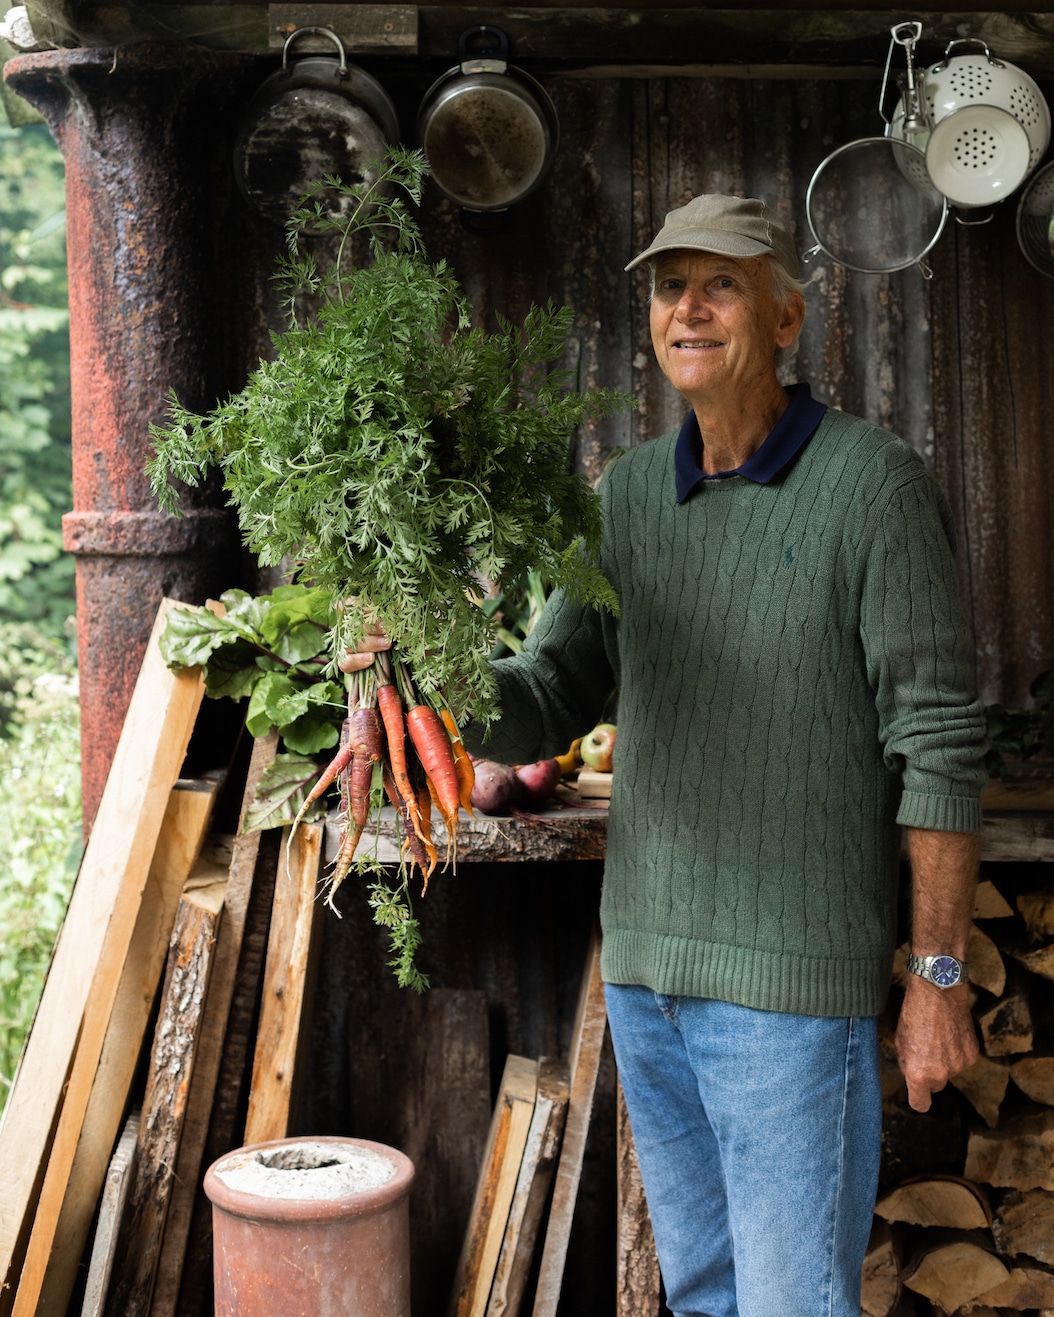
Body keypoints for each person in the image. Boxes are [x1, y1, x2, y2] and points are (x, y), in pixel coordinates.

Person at [344, 194, 988, 1317]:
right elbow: (543, 701)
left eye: (721, 283)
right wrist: (428, 660)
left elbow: (937, 740)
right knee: (701, 1295)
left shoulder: (873, 488)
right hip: (647, 978)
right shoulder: (629, 497)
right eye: (667, 285)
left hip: (790, 995)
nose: (687, 307)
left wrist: (936, 977)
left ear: (785, 317)